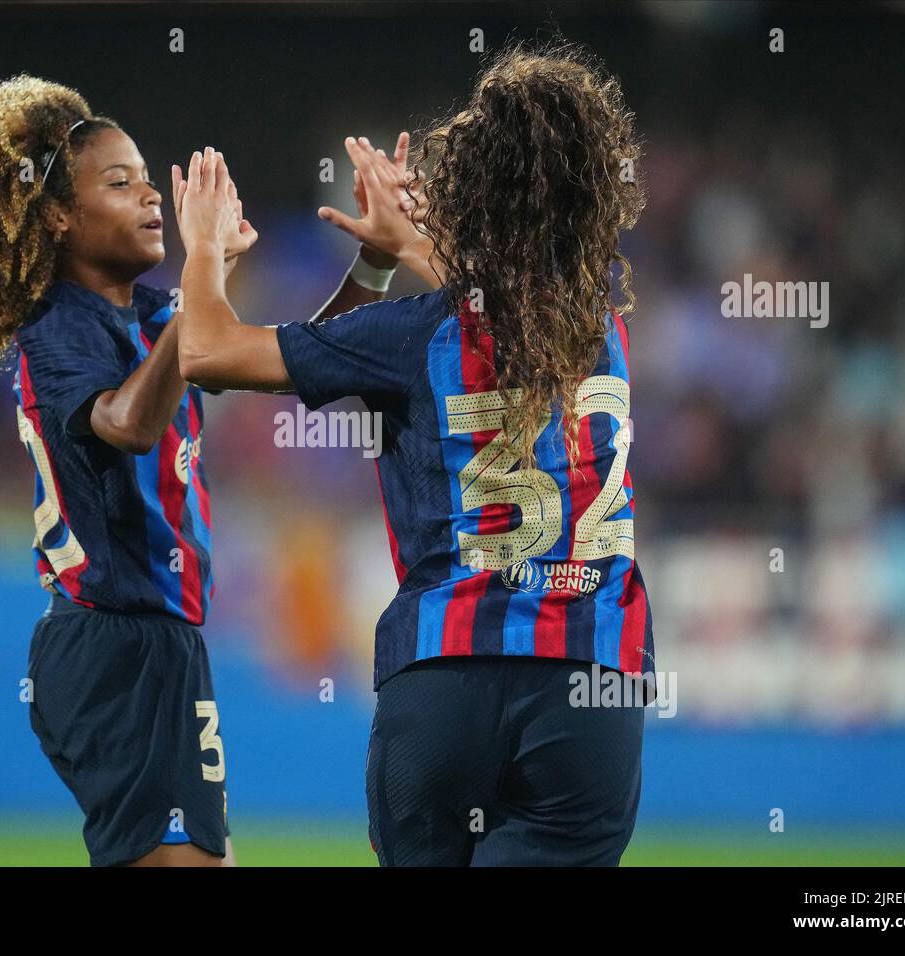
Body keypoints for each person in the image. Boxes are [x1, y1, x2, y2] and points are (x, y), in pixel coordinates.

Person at [172, 43, 655, 865]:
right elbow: (497, 304)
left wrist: (205, 251)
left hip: (444, 685)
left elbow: (208, 352)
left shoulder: (414, 333)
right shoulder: (600, 334)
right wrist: (397, 253)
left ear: (469, 188)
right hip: (591, 685)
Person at [0, 76, 256, 866]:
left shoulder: (151, 320)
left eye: (146, 178)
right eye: (119, 181)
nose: (149, 196)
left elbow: (297, 360)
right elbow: (129, 425)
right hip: (113, 643)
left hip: (161, 644)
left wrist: (374, 267)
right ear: (59, 218)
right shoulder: (58, 325)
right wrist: (204, 272)